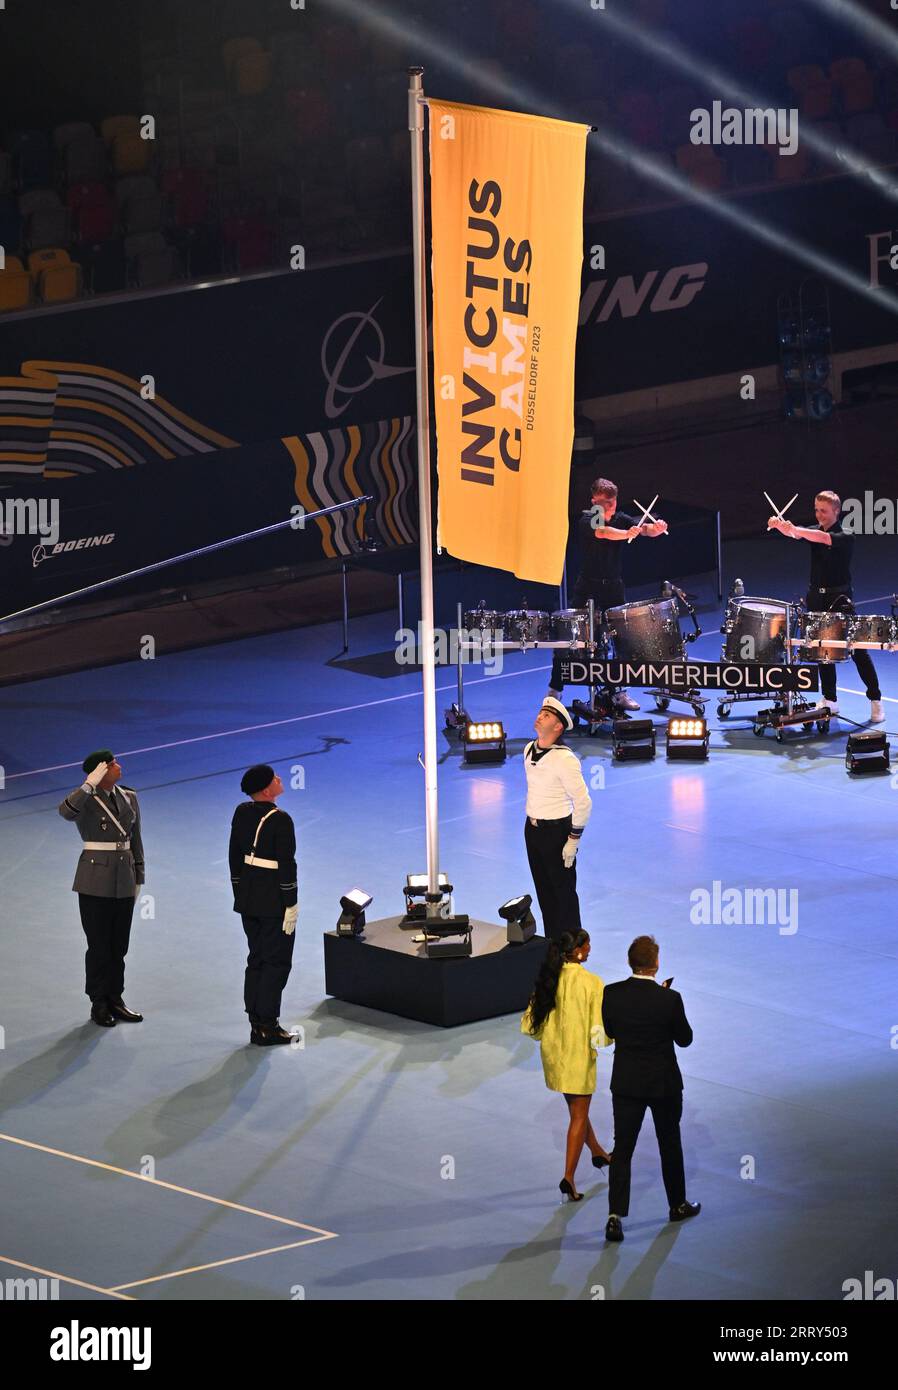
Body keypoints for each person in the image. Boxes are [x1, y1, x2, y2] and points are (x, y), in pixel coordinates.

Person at [600, 935, 699, 1242]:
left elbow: (611, 1031)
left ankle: (614, 1217)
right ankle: (677, 1205)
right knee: (669, 1142)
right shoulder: (670, 999)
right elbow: (685, 1039)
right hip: (663, 1083)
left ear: (631, 962)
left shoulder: (612, 993)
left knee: (623, 1148)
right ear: (656, 964)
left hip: (627, 1082)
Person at [549, 477, 668, 712]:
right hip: (588, 587)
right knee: (568, 639)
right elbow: (603, 533)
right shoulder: (588, 518)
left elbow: (643, 529)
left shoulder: (620, 518)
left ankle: (618, 692)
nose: (609, 507)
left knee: (618, 640)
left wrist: (655, 529)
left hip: (613, 588)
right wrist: (627, 533)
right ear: (594, 501)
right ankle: (555, 689)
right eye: (604, 503)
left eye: (612, 503)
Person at [768, 490, 883, 723]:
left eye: (824, 511)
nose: (819, 515)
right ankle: (830, 700)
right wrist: (780, 525)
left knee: (859, 650)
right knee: (823, 651)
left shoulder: (845, 535)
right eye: (816, 510)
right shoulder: (814, 532)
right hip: (816, 599)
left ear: (836, 512)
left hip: (840, 599)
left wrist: (793, 529)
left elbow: (816, 537)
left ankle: (875, 700)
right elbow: (799, 535)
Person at [520, 929, 613, 1200]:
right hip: (578, 1059)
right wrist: (611, 1038)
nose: (591, 949)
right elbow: (599, 1032)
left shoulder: (549, 978)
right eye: (589, 944)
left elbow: (531, 1025)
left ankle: (598, 1153)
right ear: (580, 951)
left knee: (577, 1110)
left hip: (554, 1058)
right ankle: (569, 1178)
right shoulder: (592, 983)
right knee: (579, 1116)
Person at [58, 750, 145, 1028]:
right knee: (98, 945)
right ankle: (98, 1002)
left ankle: (115, 998)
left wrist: (139, 876)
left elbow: (136, 839)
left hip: (124, 877)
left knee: (119, 944)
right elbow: (65, 812)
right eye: (113, 764)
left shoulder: (129, 796)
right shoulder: (86, 798)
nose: (119, 766)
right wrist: (88, 785)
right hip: (95, 879)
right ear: (101, 770)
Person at [229, 764, 298, 1045]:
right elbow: (286, 865)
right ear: (268, 789)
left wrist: (238, 890)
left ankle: (255, 1021)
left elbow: (234, 855)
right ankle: (268, 1024)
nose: (280, 779)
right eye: (276, 778)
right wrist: (291, 903)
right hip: (273, 899)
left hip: (248, 896)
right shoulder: (281, 819)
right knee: (277, 961)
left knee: (256, 957)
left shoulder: (241, 811)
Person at [523, 696, 591, 942]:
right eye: (541, 712)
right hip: (532, 830)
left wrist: (573, 840)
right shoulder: (528, 749)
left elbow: (583, 802)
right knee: (545, 893)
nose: (540, 716)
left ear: (558, 727)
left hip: (557, 833)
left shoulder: (565, 759)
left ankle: (573, 949)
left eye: (547, 715)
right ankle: (553, 946)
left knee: (564, 895)